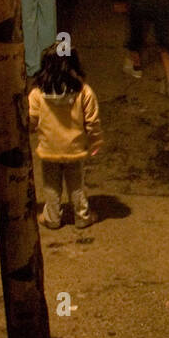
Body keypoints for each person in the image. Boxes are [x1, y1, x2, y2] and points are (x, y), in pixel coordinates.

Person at [28, 42, 103, 229]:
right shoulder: (83, 92)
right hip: (74, 149)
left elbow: (31, 120)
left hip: (49, 150)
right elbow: (92, 121)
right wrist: (95, 141)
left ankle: (52, 218)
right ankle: (82, 217)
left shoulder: (37, 94)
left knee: (51, 187)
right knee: (76, 185)